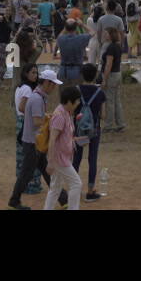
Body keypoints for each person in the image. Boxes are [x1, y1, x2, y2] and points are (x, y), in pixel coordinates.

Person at [8, 69, 69, 210]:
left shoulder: (39, 96)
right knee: (26, 174)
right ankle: (13, 201)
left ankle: (63, 199)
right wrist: (51, 120)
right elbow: (37, 122)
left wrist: (47, 117)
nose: (54, 88)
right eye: (53, 84)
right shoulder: (37, 99)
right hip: (33, 143)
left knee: (47, 172)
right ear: (47, 83)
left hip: (34, 142)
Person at [45, 85, 84, 210]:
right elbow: (52, 139)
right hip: (59, 159)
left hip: (62, 157)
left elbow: (63, 136)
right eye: (76, 101)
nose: (78, 103)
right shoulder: (60, 115)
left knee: (55, 188)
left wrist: (74, 140)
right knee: (76, 184)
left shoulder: (66, 112)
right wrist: (50, 161)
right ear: (69, 101)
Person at [73, 63, 106, 202]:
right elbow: (103, 115)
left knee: (77, 158)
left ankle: (73, 189)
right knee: (92, 159)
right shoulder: (100, 93)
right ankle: (90, 191)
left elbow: (71, 110)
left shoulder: (76, 90)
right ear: (95, 76)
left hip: (79, 129)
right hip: (94, 129)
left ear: (82, 75)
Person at [14, 64, 44, 195]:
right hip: (26, 122)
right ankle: (32, 185)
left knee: (22, 155)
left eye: (36, 73)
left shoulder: (20, 87)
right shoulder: (27, 89)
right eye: (32, 73)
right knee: (31, 154)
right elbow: (22, 107)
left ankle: (22, 184)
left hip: (20, 122)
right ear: (26, 73)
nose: (35, 75)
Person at [100, 26, 125, 133]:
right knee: (116, 100)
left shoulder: (110, 48)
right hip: (117, 73)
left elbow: (108, 64)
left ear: (110, 35)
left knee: (109, 101)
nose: (104, 35)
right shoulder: (118, 46)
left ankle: (108, 125)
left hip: (111, 75)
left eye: (106, 33)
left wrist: (104, 79)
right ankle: (120, 123)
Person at [57, 19, 92, 85]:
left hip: (63, 71)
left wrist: (66, 26)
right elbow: (92, 32)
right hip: (77, 71)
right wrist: (82, 24)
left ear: (66, 28)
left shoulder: (61, 39)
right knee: (76, 93)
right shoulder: (81, 38)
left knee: (64, 93)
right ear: (76, 27)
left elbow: (59, 35)